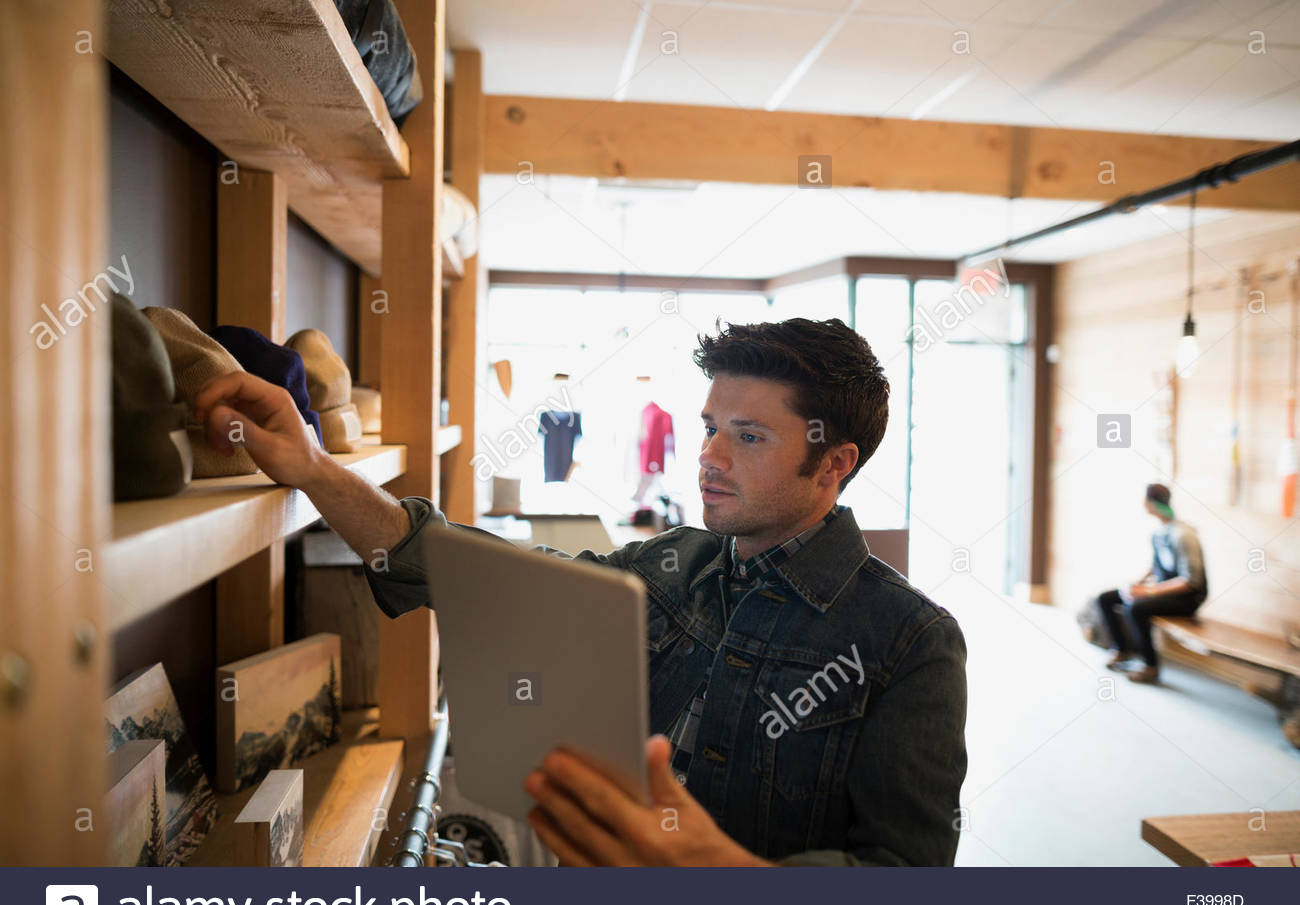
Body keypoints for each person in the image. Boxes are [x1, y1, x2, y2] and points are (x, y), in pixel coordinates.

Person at [194, 317, 968, 866]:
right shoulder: (677, 564)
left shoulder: (910, 643)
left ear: (833, 464)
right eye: (709, 426)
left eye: (749, 436)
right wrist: (311, 465)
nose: (708, 456)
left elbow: (905, 878)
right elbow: (471, 573)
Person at [1093, 483, 1208, 684]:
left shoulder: (1183, 535)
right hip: (1162, 591)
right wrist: (1136, 585)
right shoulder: (1159, 532)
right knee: (1106, 598)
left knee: (1135, 608)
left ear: (1150, 503)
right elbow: (1156, 566)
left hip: (1187, 599)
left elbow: (1191, 582)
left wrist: (1147, 591)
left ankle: (1150, 665)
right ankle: (1121, 650)